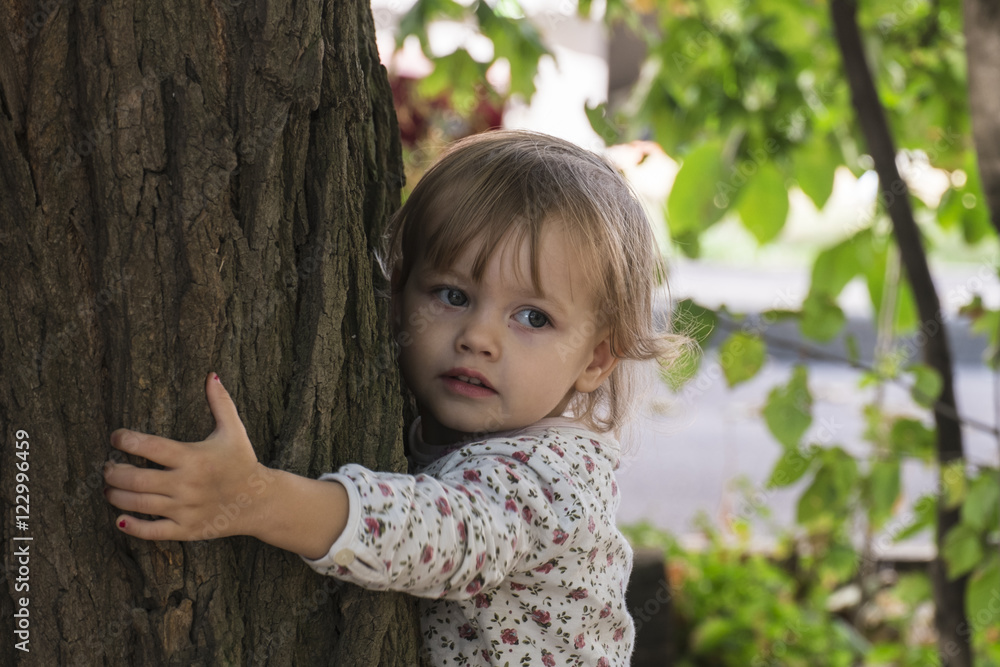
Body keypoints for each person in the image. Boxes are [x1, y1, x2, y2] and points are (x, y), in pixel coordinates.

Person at [103, 130, 679, 665]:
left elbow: (446, 535)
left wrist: (256, 499)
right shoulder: (438, 427)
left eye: (532, 316)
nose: (478, 337)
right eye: (452, 294)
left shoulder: (555, 474)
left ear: (597, 359)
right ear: (399, 294)